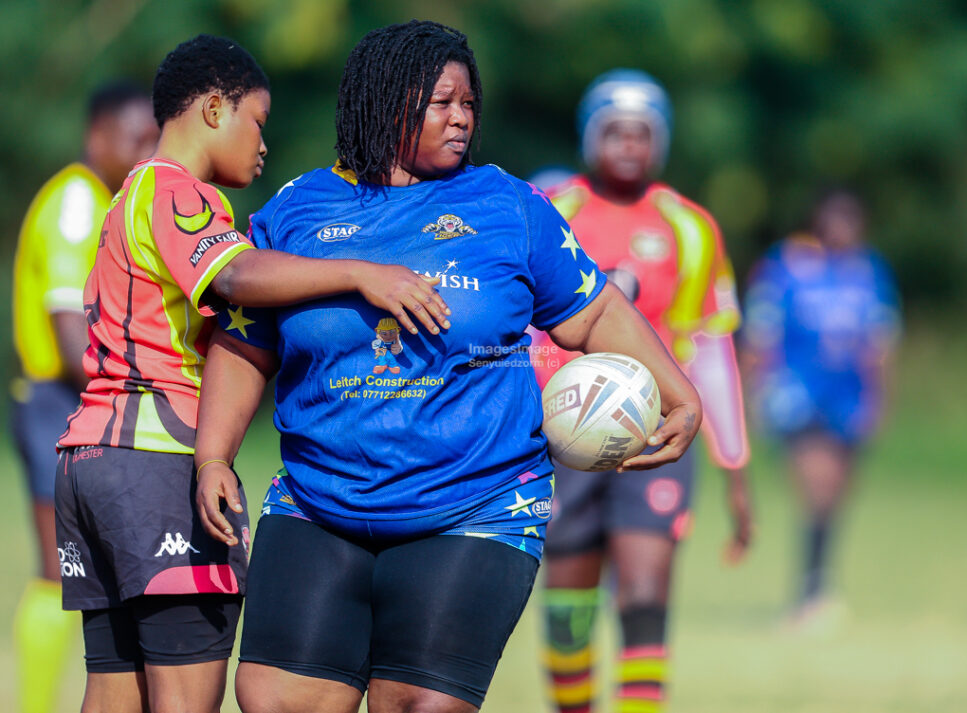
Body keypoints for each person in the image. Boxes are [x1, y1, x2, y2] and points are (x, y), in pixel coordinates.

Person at [192, 20, 703, 713]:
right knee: (276, 700)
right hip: (318, 503)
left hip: (475, 506)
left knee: (418, 705)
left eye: (469, 104)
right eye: (442, 103)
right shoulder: (298, 209)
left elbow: (594, 311)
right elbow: (245, 341)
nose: (462, 117)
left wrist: (681, 396)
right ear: (386, 102)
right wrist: (214, 456)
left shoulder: (510, 206)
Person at [53, 34, 450, 713]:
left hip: (90, 456)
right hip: (158, 456)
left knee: (114, 693)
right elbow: (236, 275)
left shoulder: (126, 195)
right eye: (258, 123)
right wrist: (363, 273)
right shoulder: (179, 193)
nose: (263, 146)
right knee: (186, 696)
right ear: (214, 109)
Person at [530, 69, 753, 713]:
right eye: (615, 131)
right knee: (568, 610)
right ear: (589, 137)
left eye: (643, 132)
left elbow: (709, 349)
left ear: (661, 141)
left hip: (658, 436)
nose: (629, 144)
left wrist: (734, 465)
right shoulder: (551, 212)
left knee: (646, 596)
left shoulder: (690, 227)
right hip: (564, 437)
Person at [9, 80, 159, 713]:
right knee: (59, 570)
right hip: (57, 401)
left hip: (77, 402)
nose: (148, 152)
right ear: (98, 135)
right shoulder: (76, 202)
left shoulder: (106, 201)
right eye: (137, 138)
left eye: (155, 139)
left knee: (96, 574)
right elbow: (75, 343)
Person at [743, 188, 900, 626]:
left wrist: (881, 398)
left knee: (835, 495)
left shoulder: (871, 272)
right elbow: (760, 332)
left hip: (848, 396)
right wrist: (751, 391)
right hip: (796, 392)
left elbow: (881, 342)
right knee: (818, 484)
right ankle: (810, 593)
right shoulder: (787, 265)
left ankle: (818, 582)